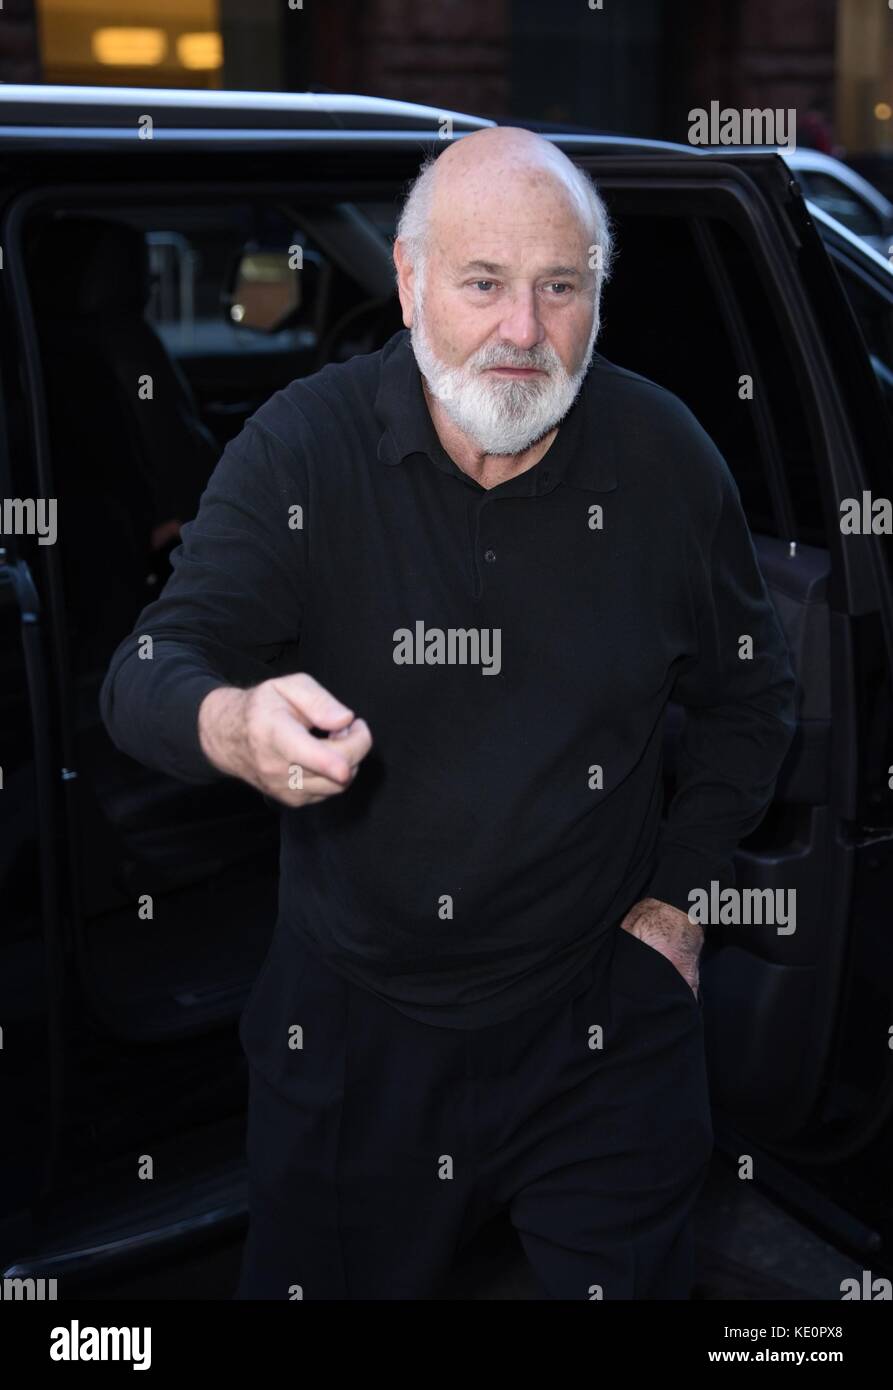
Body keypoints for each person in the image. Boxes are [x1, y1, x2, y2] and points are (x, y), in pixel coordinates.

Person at [100, 126, 798, 1300]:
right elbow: (151, 666)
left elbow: (751, 694)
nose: (522, 332)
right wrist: (234, 723)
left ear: (595, 296)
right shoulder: (302, 452)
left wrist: (677, 899)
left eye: (559, 287)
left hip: (598, 1021)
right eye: (483, 284)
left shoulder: (666, 459)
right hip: (354, 1033)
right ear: (412, 285)